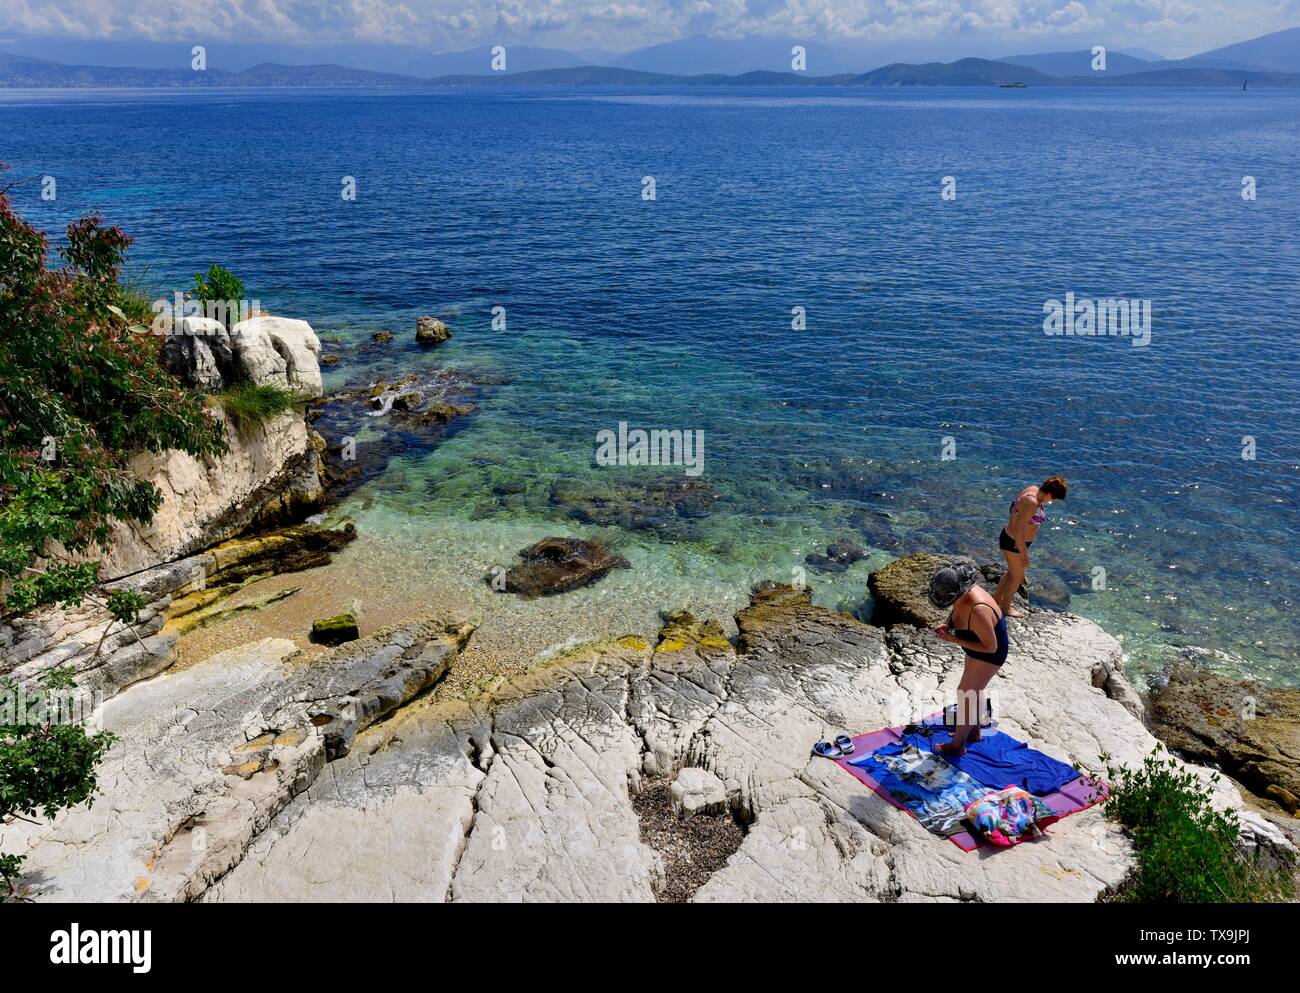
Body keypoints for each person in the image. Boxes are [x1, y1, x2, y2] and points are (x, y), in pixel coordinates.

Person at [929, 562, 1008, 756]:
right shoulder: (962, 591)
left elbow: (991, 647)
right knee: (975, 691)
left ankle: (958, 745)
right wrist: (947, 623)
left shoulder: (979, 609)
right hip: (974, 644)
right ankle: (973, 732)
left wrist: (953, 639)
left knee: (965, 694)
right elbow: (955, 609)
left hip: (988, 652)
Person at [995, 476, 1067, 617]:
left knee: (1012, 572)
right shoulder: (1032, 502)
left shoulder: (1032, 489)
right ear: (1049, 493)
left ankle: (996, 598)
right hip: (1013, 543)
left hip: (1012, 541)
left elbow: (1016, 514)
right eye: (1053, 498)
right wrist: (1024, 555)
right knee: (1018, 577)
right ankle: (1006, 608)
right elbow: (1018, 530)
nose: (1051, 501)